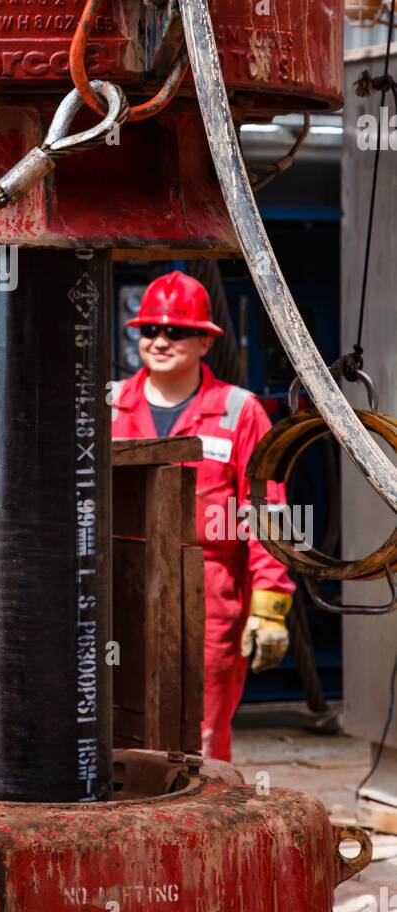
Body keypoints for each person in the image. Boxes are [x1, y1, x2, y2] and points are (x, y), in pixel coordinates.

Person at [110, 270, 294, 762]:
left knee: (202, 737)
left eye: (176, 331)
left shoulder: (240, 411)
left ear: (205, 342)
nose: (160, 340)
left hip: (209, 594)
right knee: (120, 730)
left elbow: (268, 512)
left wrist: (270, 606)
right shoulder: (107, 407)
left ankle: (203, 831)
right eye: (150, 330)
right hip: (117, 590)